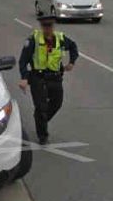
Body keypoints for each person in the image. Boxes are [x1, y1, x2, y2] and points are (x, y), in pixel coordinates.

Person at [17, 15, 79, 144]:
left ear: (53, 26)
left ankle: (41, 120)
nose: (47, 28)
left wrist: (72, 62)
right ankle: (43, 135)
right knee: (41, 107)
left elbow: (73, 47)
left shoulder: (60, 39)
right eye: (45, 26)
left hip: (55, 78)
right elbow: (23, 60)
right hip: (38, 78)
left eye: (50, 26)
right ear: (41, 27)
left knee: (57, 103)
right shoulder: (33, 40)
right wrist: (24, 78)